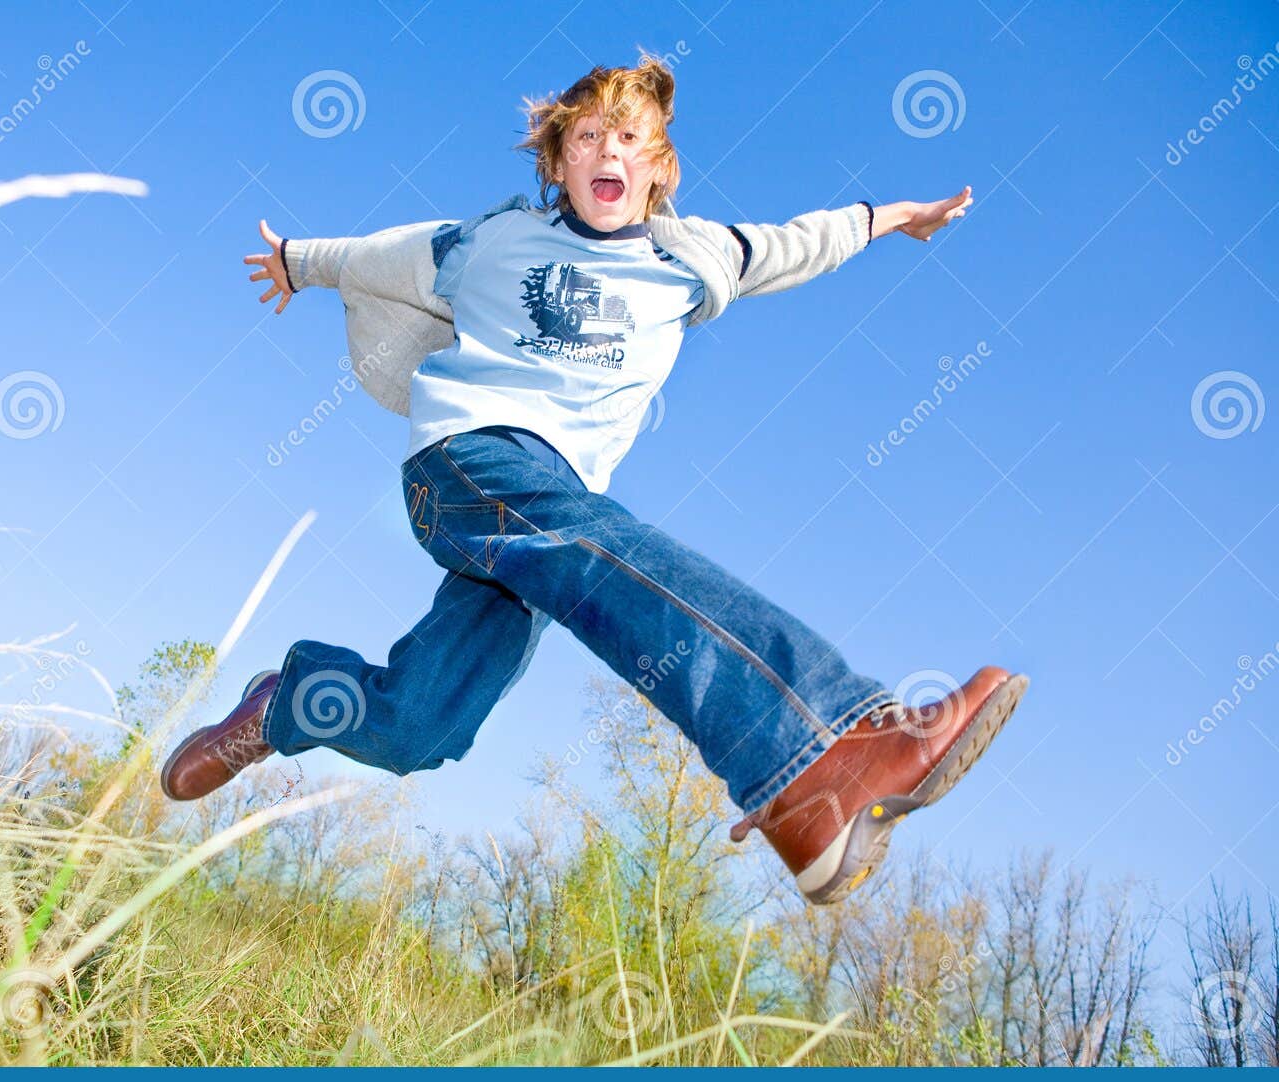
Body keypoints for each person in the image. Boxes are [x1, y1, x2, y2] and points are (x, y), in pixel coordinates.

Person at [161, 56, 1028, 905]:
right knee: (596, 542)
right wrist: (297, 261)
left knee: (423, 722)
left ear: (657, 168)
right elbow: (380, 256)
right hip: (468, 463)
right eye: (585, 136)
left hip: (547, 514)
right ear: (557, 160)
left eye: (627, 137)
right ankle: (814, 762)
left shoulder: (695, 260)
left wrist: (893, 215)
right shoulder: (493, 242)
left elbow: (804, 241)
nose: (605, 151)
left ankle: (289, 703)